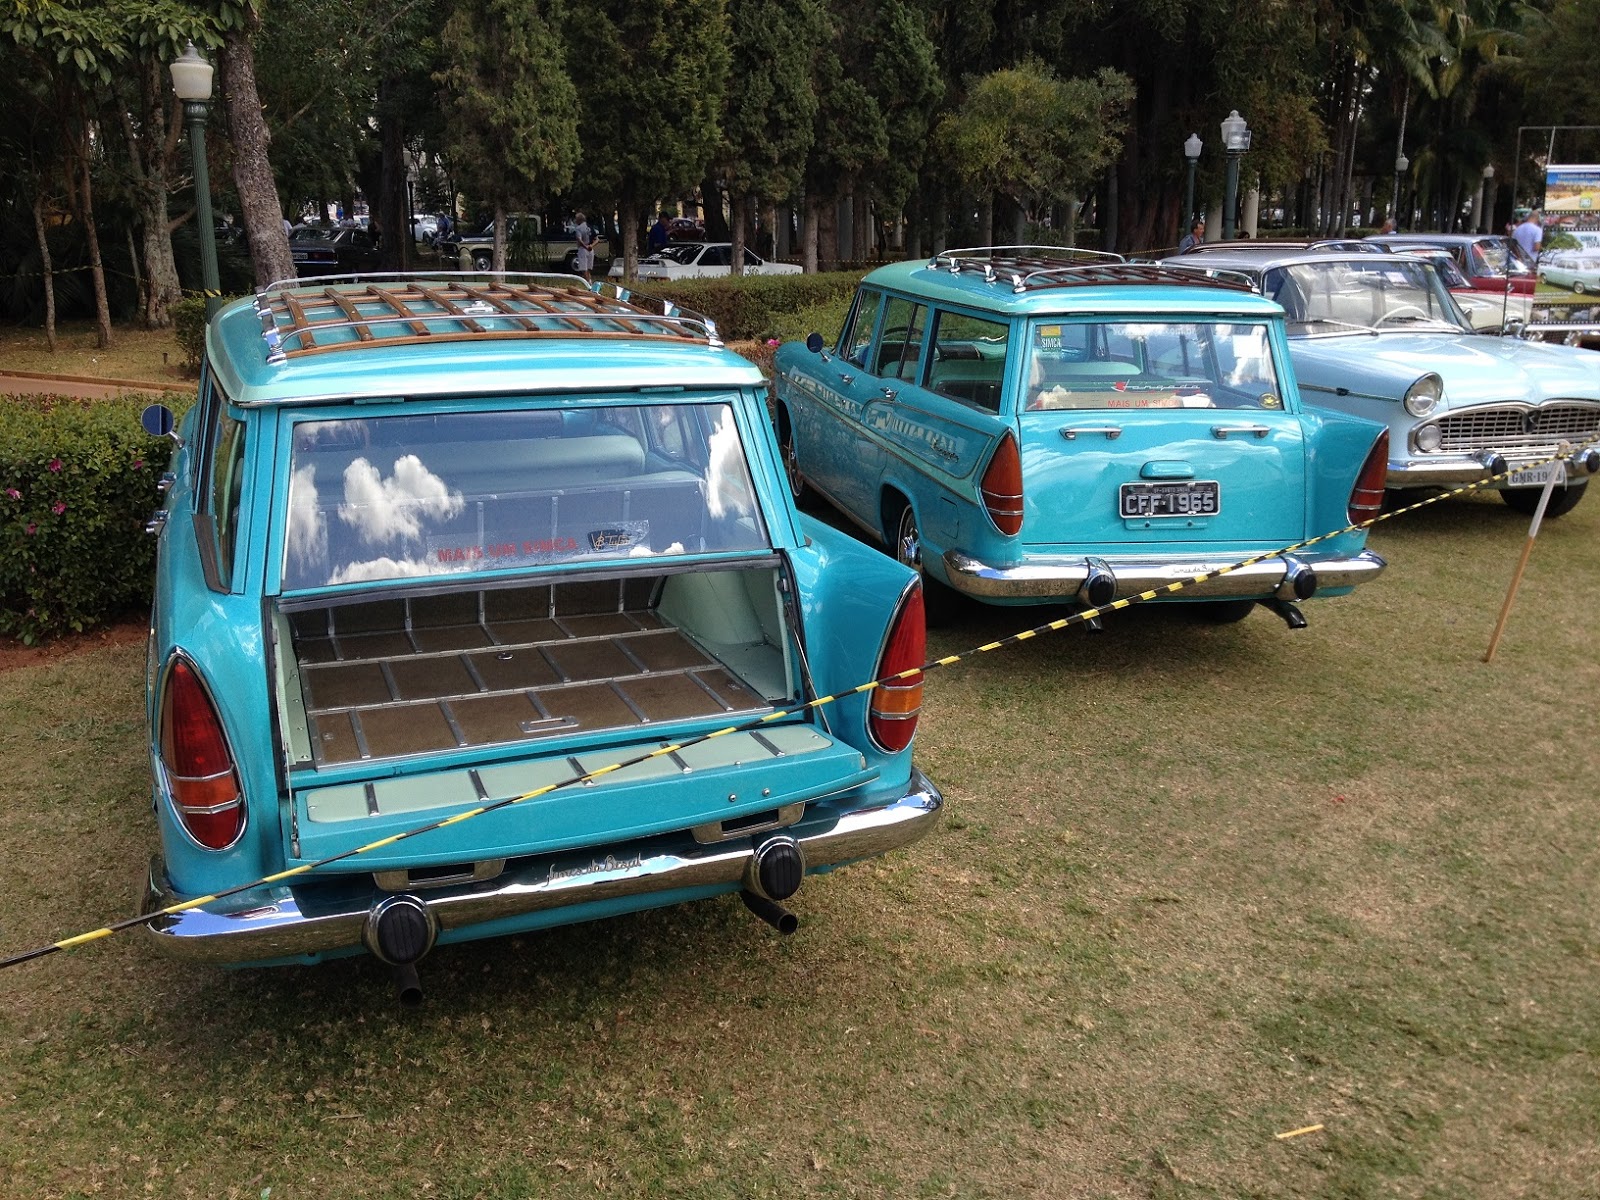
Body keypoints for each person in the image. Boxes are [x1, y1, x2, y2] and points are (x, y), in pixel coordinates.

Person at [573, 211, 596, 281]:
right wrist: (591, 246)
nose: (575, 221)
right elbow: (597, 239)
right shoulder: (590, 227)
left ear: (579, 220)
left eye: (576, 219)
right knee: (589, 268)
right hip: (591, 249)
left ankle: (588, 284)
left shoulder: (579, 228)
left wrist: (585, 247)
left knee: (584, 268)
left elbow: (579, 239)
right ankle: (590, 280)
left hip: (583, 249)